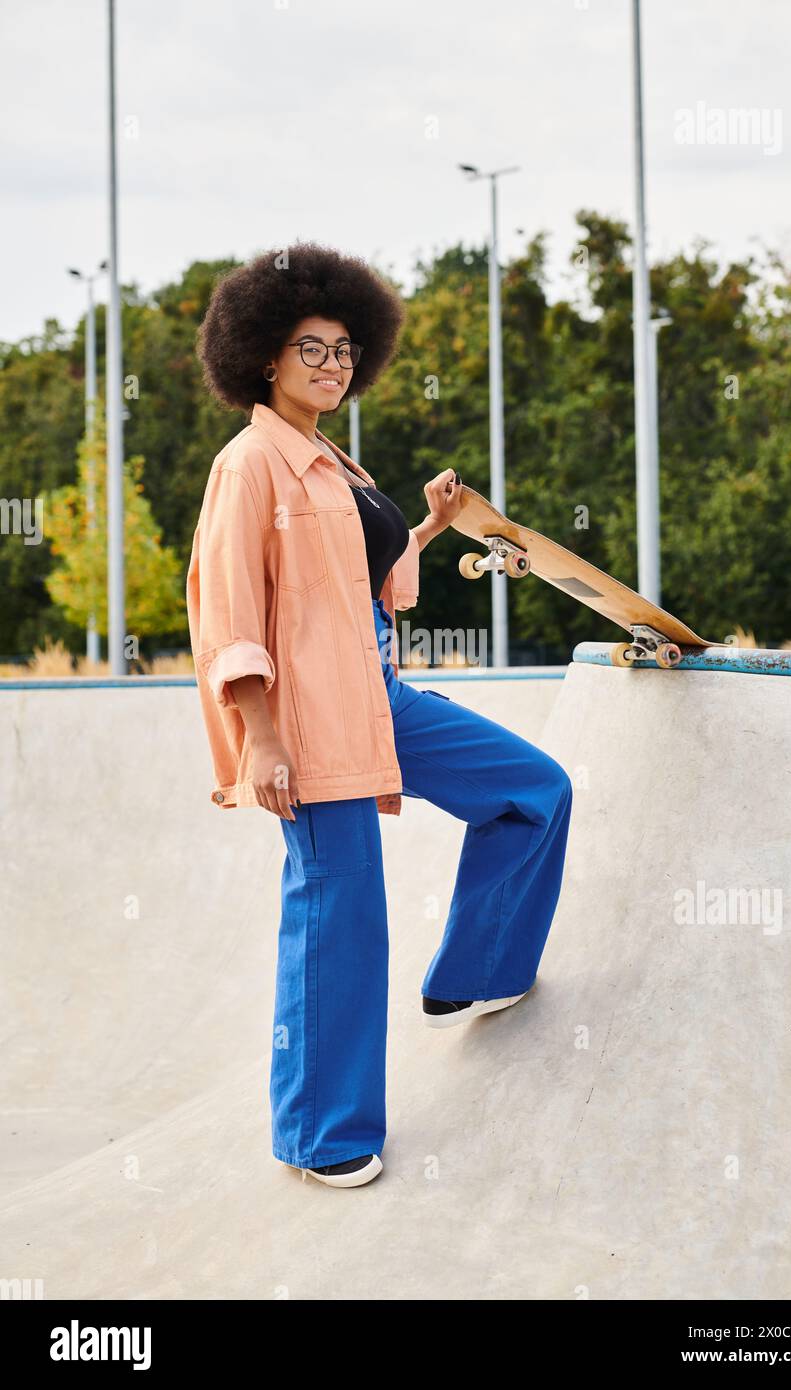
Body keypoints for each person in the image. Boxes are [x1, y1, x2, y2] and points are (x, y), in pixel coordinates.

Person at [187, 242, 573, 1188]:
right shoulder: (250, 467)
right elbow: (228, 610)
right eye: (310, 349)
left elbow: (374, 582)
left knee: (534, 790)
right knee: (341, 913)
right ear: (263, 359)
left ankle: (476, 969)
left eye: (344, 348)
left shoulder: (332, 460)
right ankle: (323, 1136)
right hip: (305, 718)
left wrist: (434, 523)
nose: (331, 364)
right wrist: (264, 738)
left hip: (379, 692)